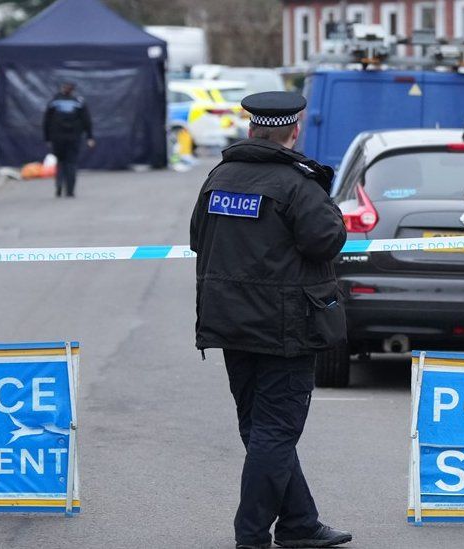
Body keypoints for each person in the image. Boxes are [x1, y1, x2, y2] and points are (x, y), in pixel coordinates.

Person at [189, 91, 352, 549]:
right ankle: (252, 535)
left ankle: (299, 523)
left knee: (260, 429)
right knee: (275, 432)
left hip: (230, 322)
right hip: (286, 328)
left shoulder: (218, 178)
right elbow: (325, 241)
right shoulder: (297, 183)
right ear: (294, 131)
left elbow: (198, 238)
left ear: (251, 128)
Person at [43, 82, 94, 198]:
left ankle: (59, 185)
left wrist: (47, 138)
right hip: (73, 138)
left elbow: (46, 121)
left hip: (57, 138)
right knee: (71, 163)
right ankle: (70, 190)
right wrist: (90, 137)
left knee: (60, 162)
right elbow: (86, 120)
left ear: (62, 88)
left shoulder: (54, 102)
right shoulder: (79, 102)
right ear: (73, 90)